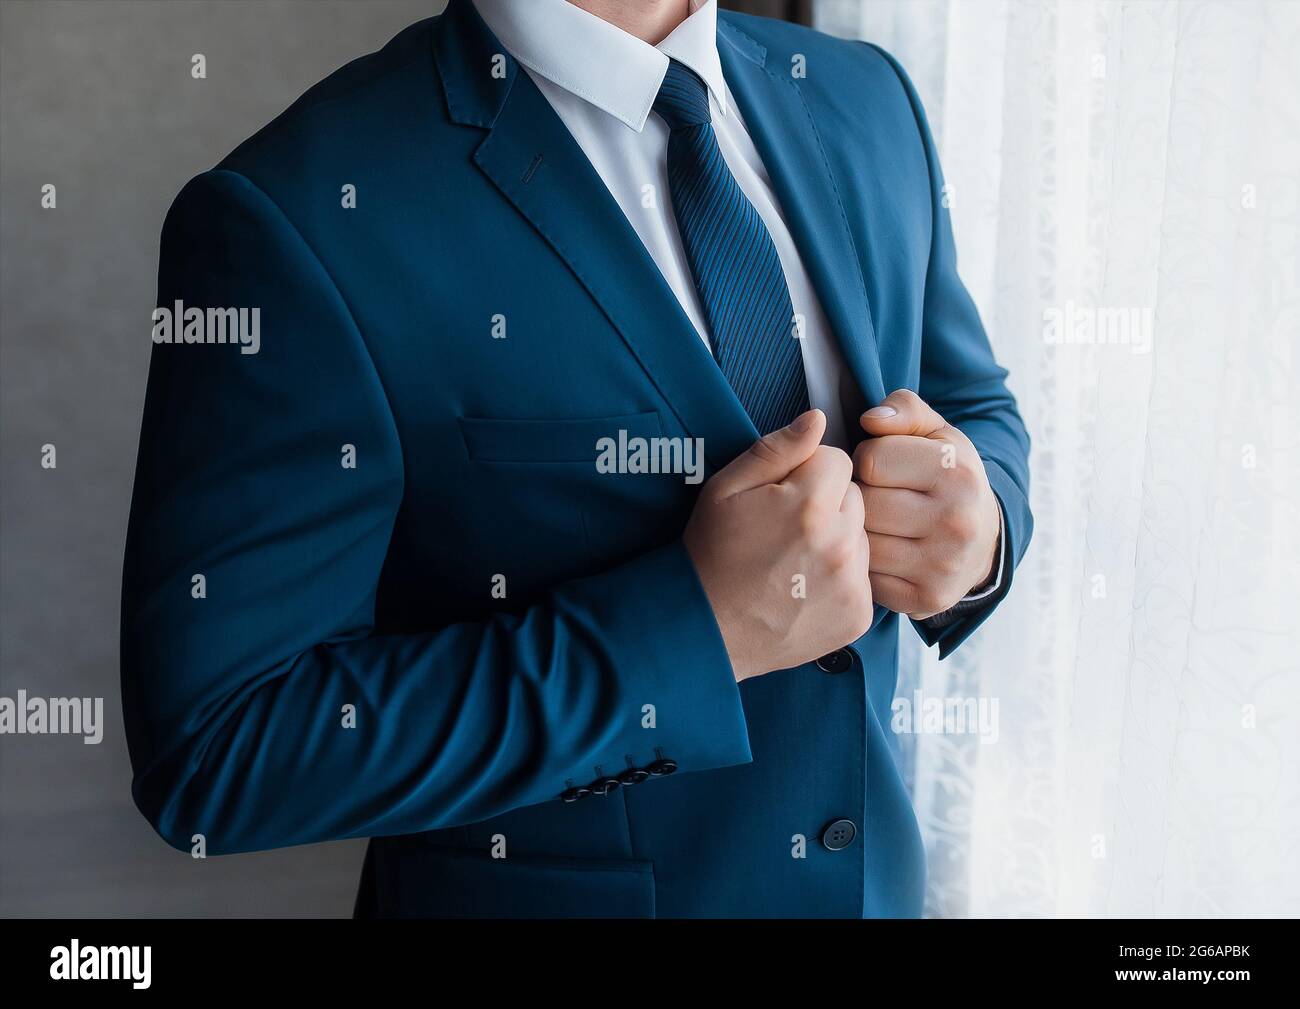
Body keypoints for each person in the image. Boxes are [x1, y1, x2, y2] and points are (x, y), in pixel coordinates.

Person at [121, 0, 1032, 918]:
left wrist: (977, 526)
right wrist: (692, 634)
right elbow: (219, 747)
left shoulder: (867, 95)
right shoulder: (296, 215)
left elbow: (973, 406)